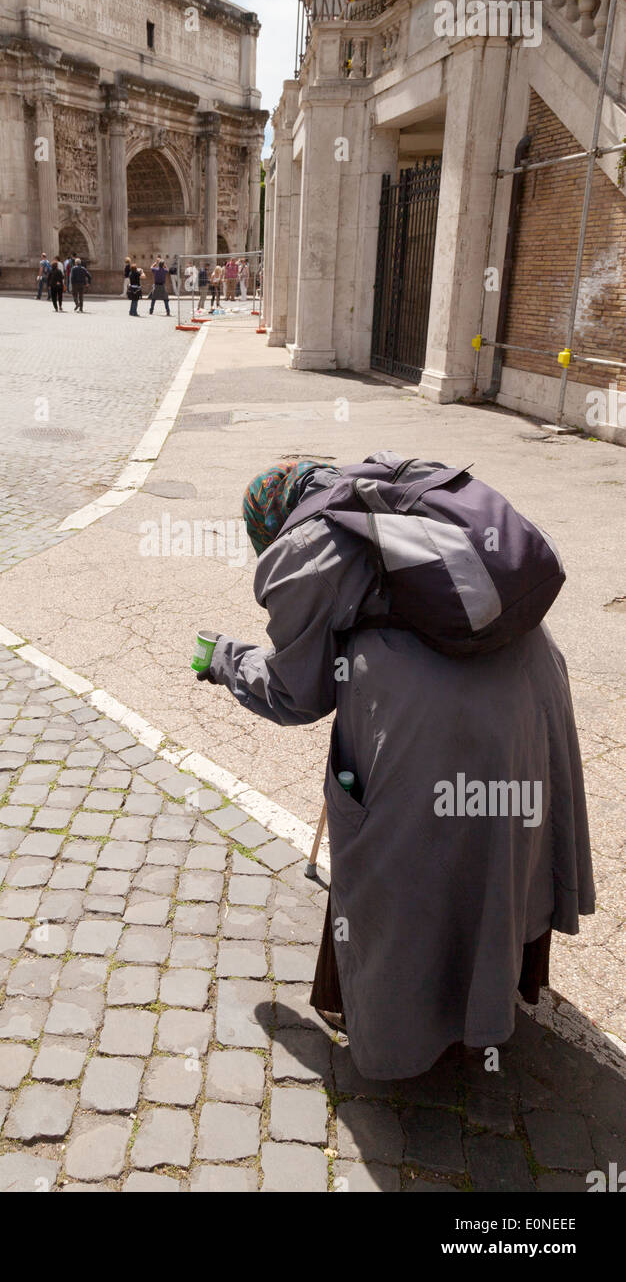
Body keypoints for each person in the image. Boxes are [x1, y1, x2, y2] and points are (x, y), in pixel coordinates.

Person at [194, 457, 595, 1082]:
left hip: (439, 725)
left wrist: (226, 659)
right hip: (532, 683)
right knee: (496, 852)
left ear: (266, 524)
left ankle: (415, 1038)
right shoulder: (385, 490)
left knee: (407, 874)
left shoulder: (301, 548)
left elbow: (295, 692)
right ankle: (490, 993)